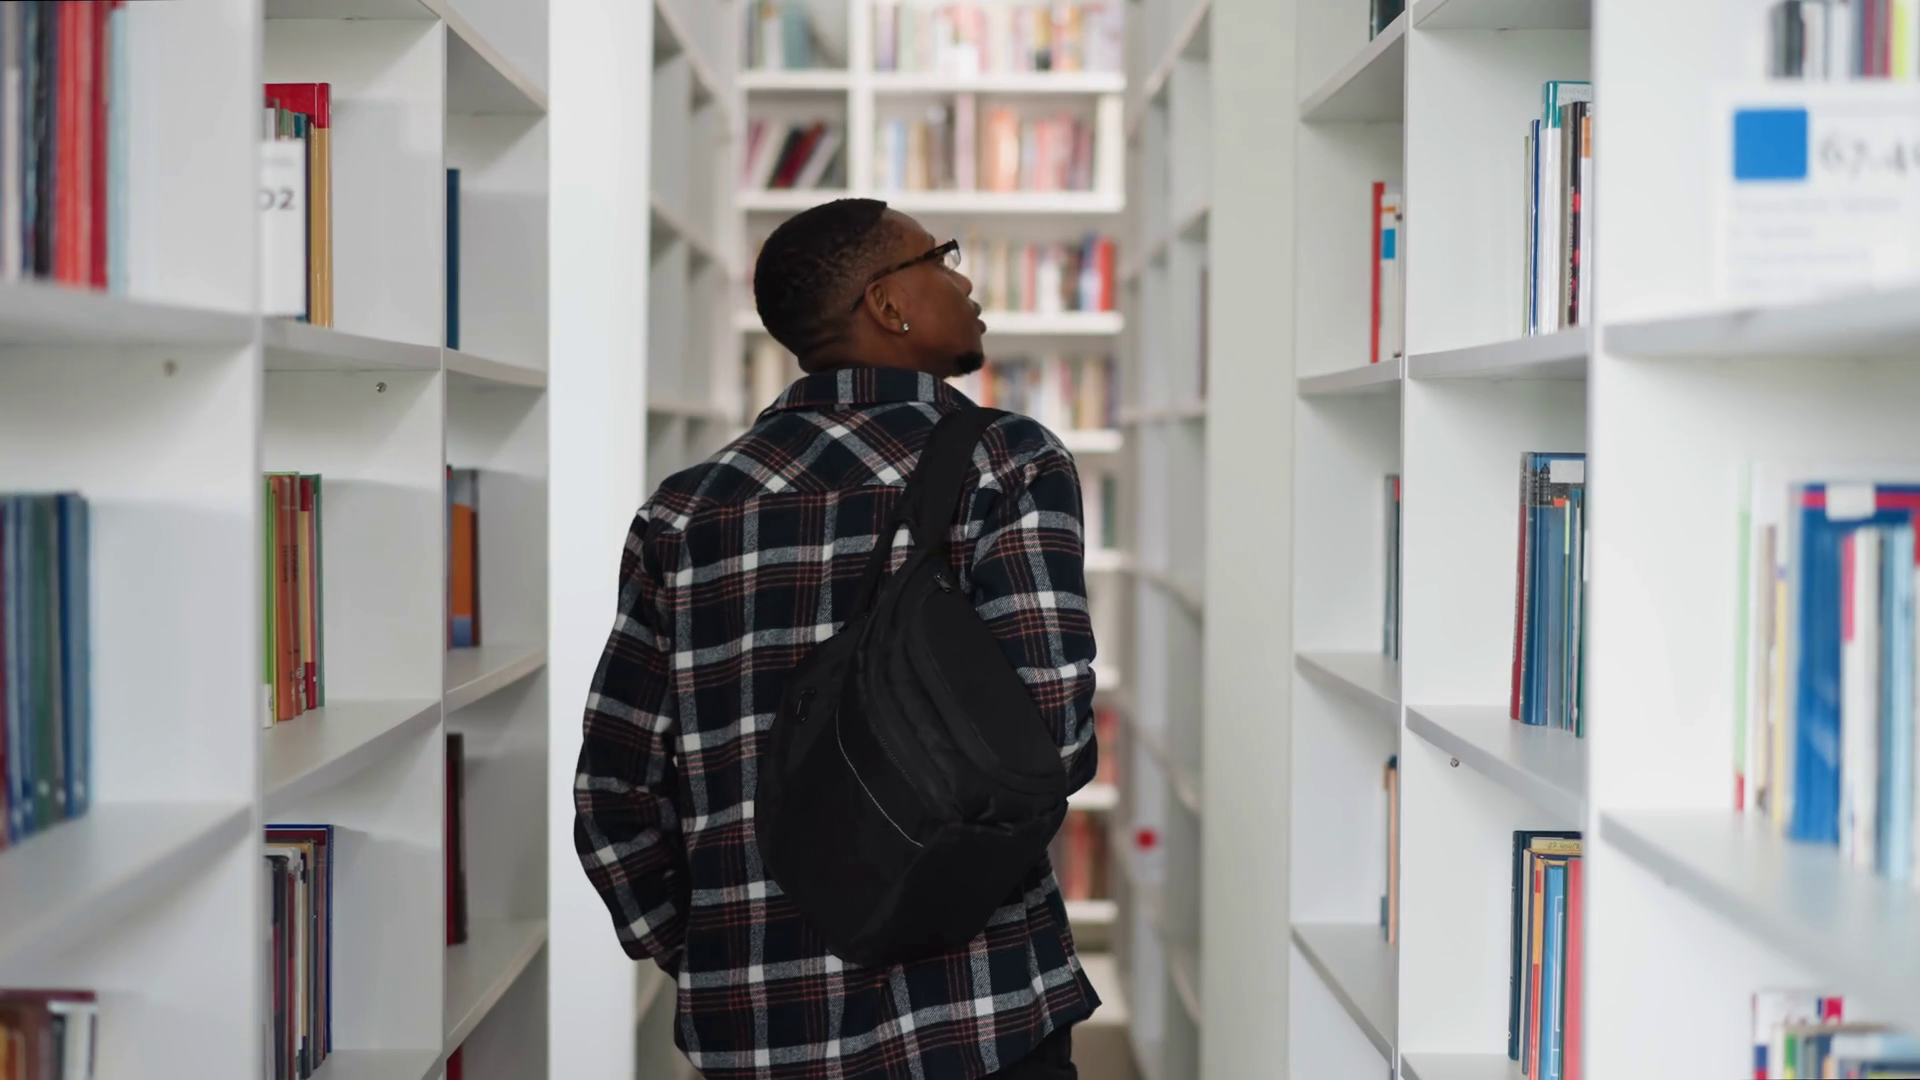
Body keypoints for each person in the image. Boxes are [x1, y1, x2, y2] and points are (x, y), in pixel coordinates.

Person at [573, 198, 1101, 1080]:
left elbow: (617, 791)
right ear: (888, 304)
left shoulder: (683, 511)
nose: (967, 280)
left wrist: (716, 954)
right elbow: (1054, 739)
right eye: (944, 258)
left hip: (759, 1032)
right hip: (978, 1014)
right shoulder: (1008, 462)